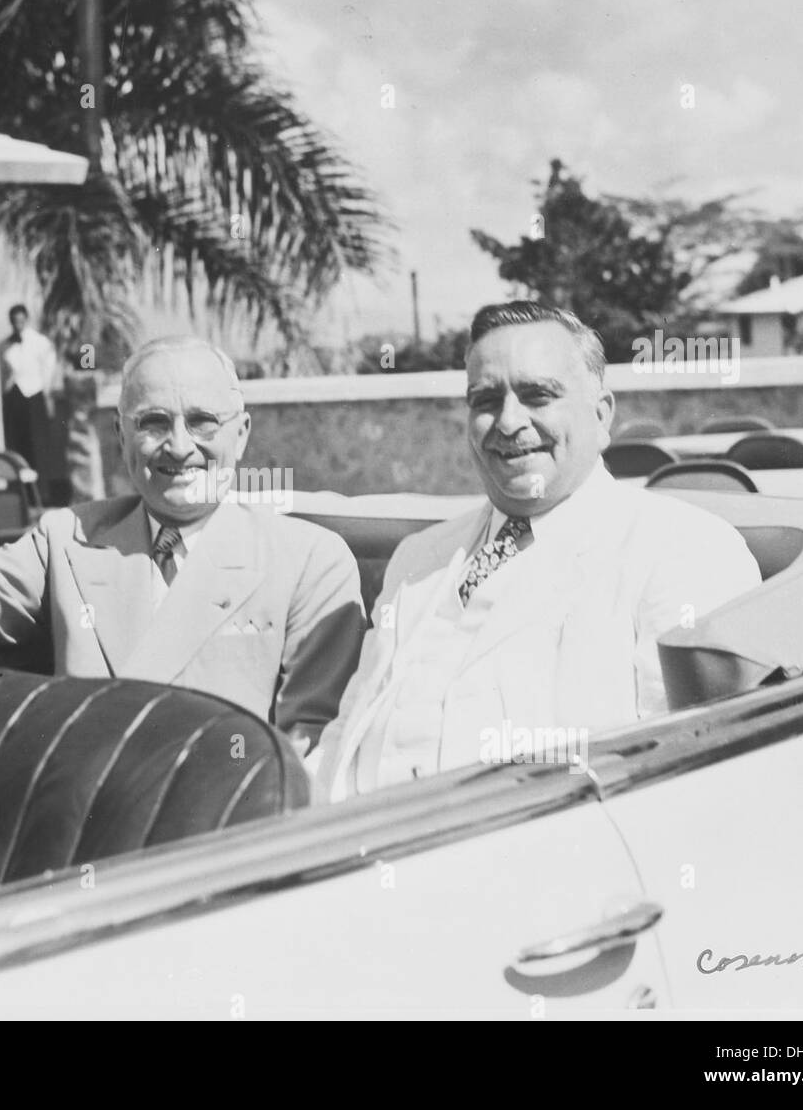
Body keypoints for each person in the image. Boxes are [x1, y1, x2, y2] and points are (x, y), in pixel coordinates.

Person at [0, 335, 366, 752]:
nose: (178, 446)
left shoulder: (308, 562)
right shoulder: (69, 539)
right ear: (121, 437)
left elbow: (307, 750)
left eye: (201, 422)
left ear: (241, 435)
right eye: (153, 422)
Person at [311, 301, 762, 800]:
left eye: (537, 395)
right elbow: (348, 732)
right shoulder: (418, 558)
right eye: (485, 400)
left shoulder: (682, 550)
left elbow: (694, 772)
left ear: (601, 413)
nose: (508, 422)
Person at [0, 304, 64, 502]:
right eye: (14, 321)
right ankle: (22, 495)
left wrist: (45, 394)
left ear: (26, 320)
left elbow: (49, 369)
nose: (18, 325)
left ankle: (43, 494)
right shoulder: (6, 345)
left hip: (34, 396)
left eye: (21, 321)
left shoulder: (40, 342)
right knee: (17, 446)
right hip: (15, 398)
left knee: (38, 446)